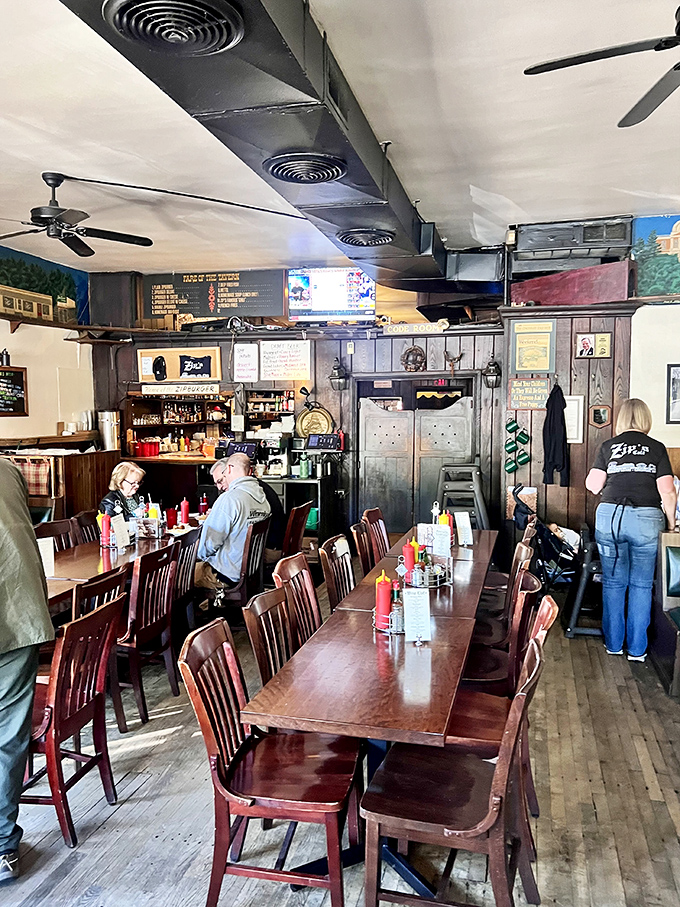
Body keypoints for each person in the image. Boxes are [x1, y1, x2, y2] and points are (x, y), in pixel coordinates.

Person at [585, 398, 677, 661]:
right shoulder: (657, 448)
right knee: (641, 584)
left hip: (611, 517)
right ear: (646, 419)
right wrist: (670, 523)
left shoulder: (608, 446)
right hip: (647, 519)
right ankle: (637, 650)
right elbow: (668, 491)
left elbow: (593, 485)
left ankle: (614, 644)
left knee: (613, 583)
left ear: (622, 419)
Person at [0, 460, 54, 882]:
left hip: (18, 613)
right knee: (7, 736)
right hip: (18, 612)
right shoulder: (8, 469)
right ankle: (1, 846)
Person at [197, 453, 271, 589]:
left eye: (223, 475)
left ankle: (202, 610)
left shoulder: (230, 499)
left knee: (178, 576)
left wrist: (195, 555)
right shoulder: (262, 499)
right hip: (252, 571)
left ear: (229, 468)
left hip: (226, 574)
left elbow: (208, 545)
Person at [210, 459, 285, 565]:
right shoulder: (258, 489)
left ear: (228, 471)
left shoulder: (236, 497)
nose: (219, 487)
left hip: (264, 553)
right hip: (272, 548)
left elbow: (211, 544)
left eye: (220, 480)